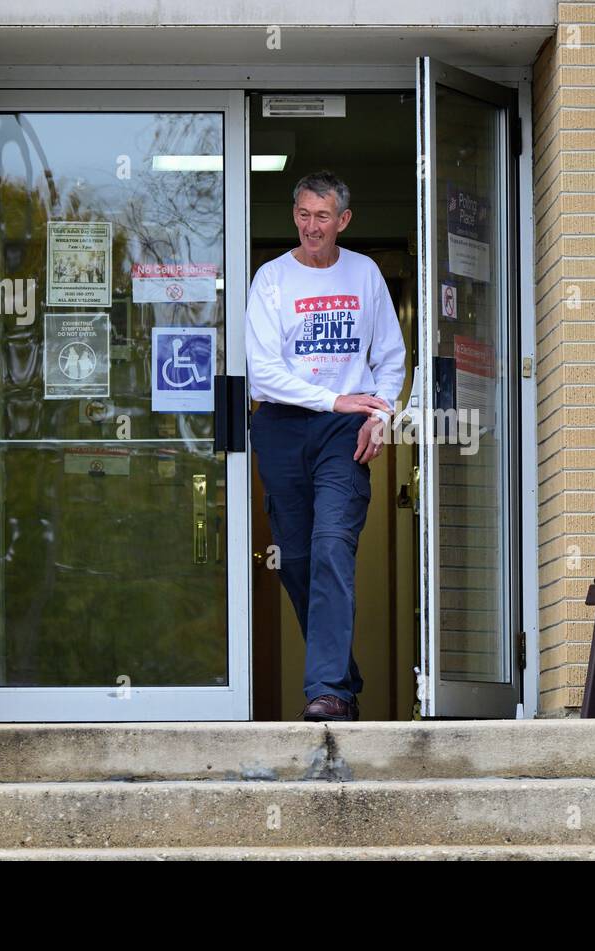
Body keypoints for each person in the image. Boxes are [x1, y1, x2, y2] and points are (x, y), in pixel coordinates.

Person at [245, 170, 407, 722]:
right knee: (296, 560)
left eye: (324, 217)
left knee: (332, 545)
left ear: (343, 221)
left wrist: (379, 414)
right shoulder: (270, 280)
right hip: (284, 426)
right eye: (304, 215)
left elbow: (390, 357)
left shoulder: (364, 274)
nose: (312, 227)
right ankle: (344, 674)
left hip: (345, 430)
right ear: (295, 215)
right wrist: (330, 399)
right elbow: (263, 376)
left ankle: (329, 691)